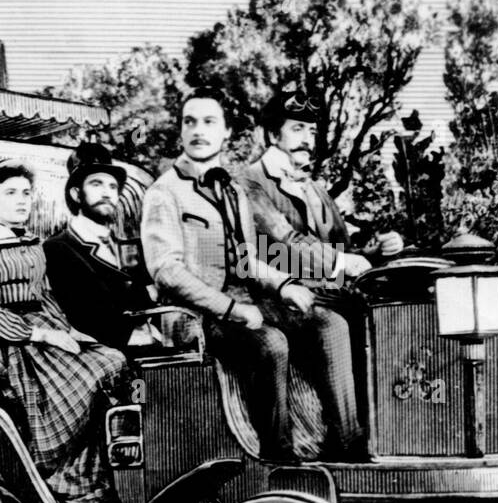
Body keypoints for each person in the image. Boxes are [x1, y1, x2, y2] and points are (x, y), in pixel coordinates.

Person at [140, 87, 365, 461]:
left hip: (247, 302)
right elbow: (167, 273)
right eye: (190, 122)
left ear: (226, 132)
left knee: (329, 324)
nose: (199, 130)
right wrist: (231, 308)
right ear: (180, 132)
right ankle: (280, 457)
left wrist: (286, 283)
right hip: (199, 316)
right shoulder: (164, 192)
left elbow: (246, 260)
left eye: (209, 122)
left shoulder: (232, 190)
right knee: (270, 343)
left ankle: (349, 448)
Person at [0, 159, 128, 503]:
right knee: (100, 372)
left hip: (46, 328)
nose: (22, 201)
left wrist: (67, 331)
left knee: (114, 361)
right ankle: (53, 469)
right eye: (10, 194)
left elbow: (46, 296)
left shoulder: (31, 240)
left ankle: (86, 482)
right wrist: (43, 334)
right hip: (12, 342)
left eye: (26, 193)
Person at [240, 88, 404, 296]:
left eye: (312, 132)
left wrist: (377, 252)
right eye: (298, 129)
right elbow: (285, 239)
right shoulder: (249, 181)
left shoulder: (314, 188)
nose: (308, 140)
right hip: (279, 296)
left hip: (329, 293)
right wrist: (341, 262)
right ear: (273, 135)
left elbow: (341, 249)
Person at [44, 143, 156, 350]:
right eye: (96, 184)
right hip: (102, 350)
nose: (107, 193)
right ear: (76, 194)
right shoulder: (58, 248)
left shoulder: (126, 246)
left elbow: (149, 298)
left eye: (113, 187)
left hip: (148, 341)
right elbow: (86, 313)